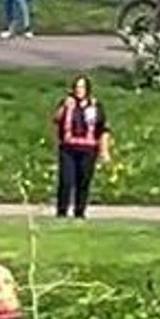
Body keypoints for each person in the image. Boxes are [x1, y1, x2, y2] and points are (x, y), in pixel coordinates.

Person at [53, 75, 110, 219]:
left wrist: (104, 151)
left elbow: (103, 129)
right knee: (66, 181)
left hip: (88, 149)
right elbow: (56, 119)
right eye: (77, 87)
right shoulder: (67, 103)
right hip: (68, 148)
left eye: (82, 87)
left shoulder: (96, 106)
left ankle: (80, 212)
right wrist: (64, 106)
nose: (79, 90)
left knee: (83, 181)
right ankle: (62, 211)